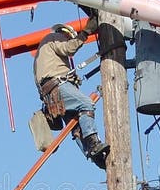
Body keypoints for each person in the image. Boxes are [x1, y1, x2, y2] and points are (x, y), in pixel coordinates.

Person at [33, 19, 109, 169]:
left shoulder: (44, 55)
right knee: (86, 104)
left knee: (76, 126)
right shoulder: (55, 38)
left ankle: (94, 157)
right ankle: (93, 143)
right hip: (58, 87)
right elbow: (68, 49)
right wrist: (85, 33)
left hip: (51, 95)